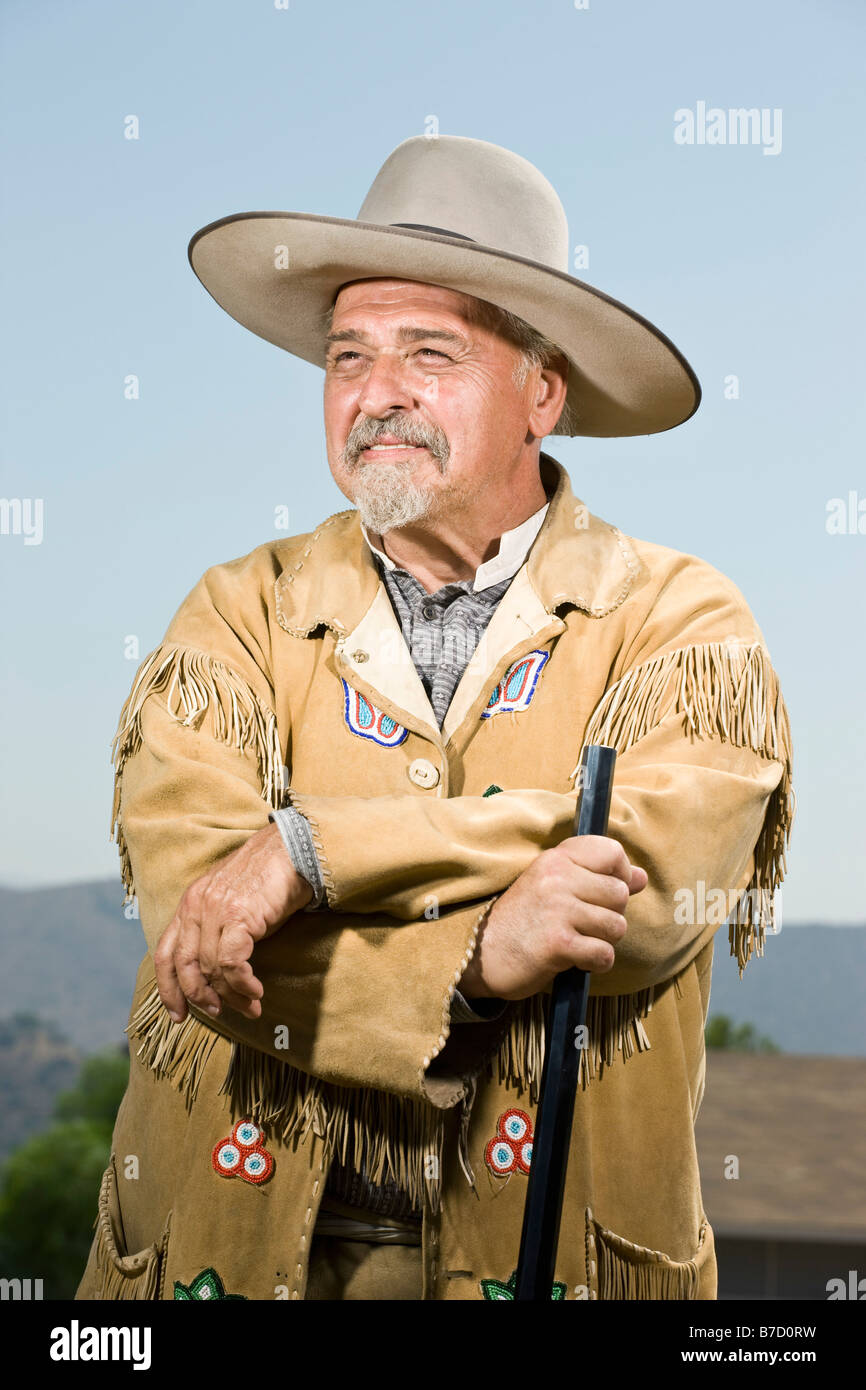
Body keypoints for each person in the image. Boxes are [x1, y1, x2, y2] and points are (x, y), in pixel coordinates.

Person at [76, 135, 793, 1302]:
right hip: (238, 1258)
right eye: (346, 355)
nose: (377, 394)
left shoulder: (681, 618)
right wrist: (482, 954)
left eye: (429, 353)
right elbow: (199, 923)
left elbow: (649, 885)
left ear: (540, 393)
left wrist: (308, 852)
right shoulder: (231, 613)